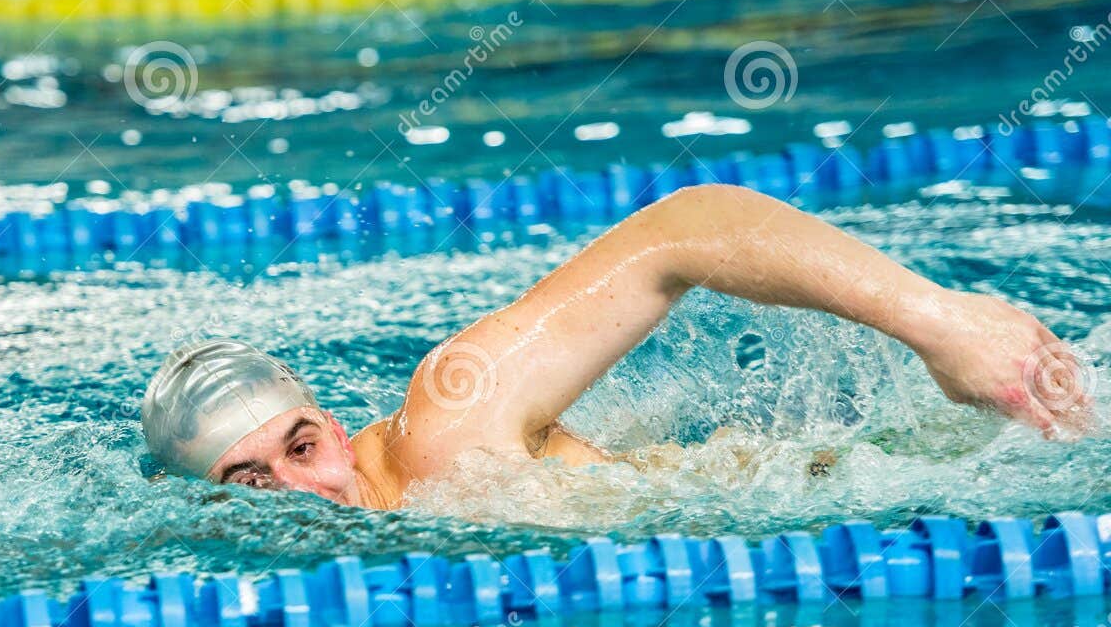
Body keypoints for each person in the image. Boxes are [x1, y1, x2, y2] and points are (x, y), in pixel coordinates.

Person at [141, 184, 1093, 510]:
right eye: (251, 480)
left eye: (300, 447)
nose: (302, 488)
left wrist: (939, 321)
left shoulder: (446, 429)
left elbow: (683, 228)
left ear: (336, 427)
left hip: (871, 483)